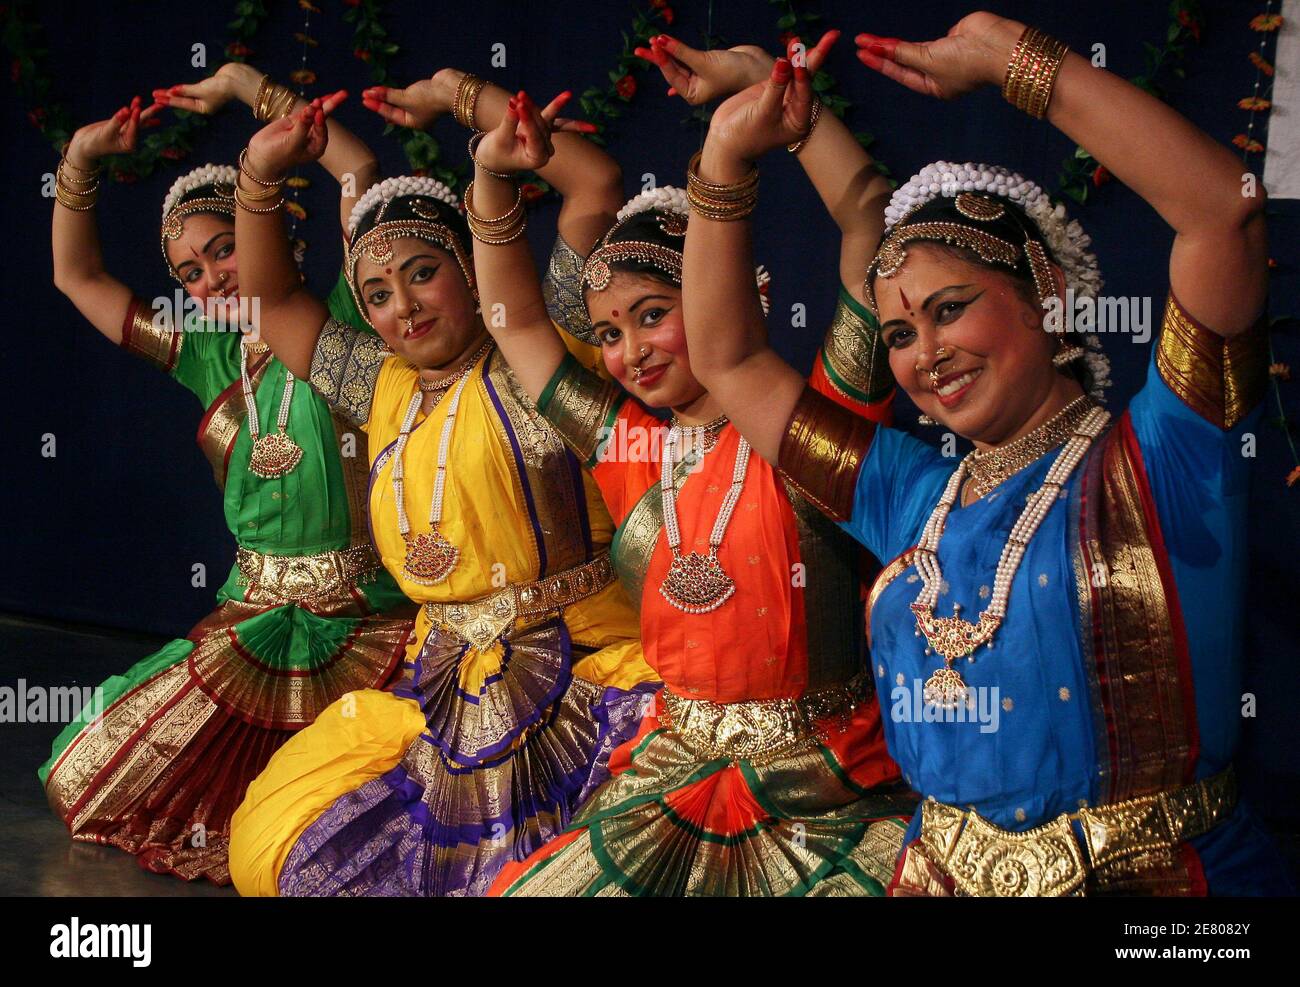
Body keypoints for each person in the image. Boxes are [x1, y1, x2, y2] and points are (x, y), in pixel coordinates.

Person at [675, 10, 1293, 895]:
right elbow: (728, 360)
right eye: (897, 331)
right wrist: (728, 156)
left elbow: (1223, 214)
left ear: (1045, 294)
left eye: (949, 307)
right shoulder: (908, 495)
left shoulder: (1160, 457)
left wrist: (1014, 60)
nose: (924, 353)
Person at [470, 34, 914, 898]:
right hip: (672, 769)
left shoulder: (815, 424)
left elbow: (871, 222)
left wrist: (787, 111)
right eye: (608, 331)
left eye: (651, 315)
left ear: (729, 294)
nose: (629, 351)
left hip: (824, 787)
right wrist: (491, 182)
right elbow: (514, 323)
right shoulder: (623, 443)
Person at [226, 74, 656, 897]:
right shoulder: (376, 381)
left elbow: (594, 183)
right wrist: (258, 177)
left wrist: (465, 100)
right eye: (377, 295)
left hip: (588, 662)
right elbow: (272, 298)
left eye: (424, 274)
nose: (403, 308)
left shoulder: (544, 345)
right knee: (269, 846)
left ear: (471, 268)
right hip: (448, 683)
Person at [41, 80, 414, 884]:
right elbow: (78, 278)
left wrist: (256, 91)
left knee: (348, 812)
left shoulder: (343, 318)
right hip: (250, 621)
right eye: (188, 269)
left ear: (273, 232)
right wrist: (78, 160)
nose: (208, 278)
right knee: (87, 769)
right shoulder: (205, 356)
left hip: (365, 620)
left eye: (223, 248)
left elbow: (359, 170)